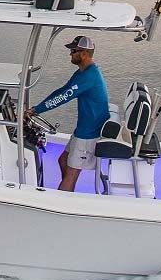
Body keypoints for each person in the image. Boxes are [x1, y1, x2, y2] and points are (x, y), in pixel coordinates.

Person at [25, 35, 109, 192]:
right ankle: (69, 194)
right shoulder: (83, 72)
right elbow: (62, 91)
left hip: (89, 134)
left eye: (73, 50)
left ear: (83, 53)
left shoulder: (89, 77)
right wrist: (36, 108)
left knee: (71, 174)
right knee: (63, 160)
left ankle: (60, 203)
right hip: (83, 130)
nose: (70, 54)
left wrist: (36, 110)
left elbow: (63, 97)